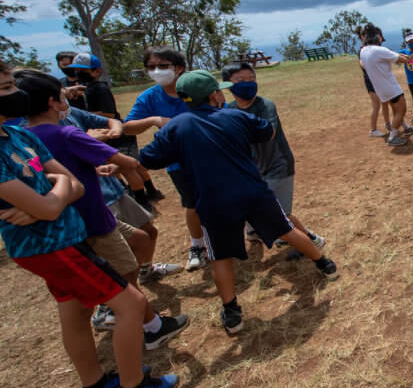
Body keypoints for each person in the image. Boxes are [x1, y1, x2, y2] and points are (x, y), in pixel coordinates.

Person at [0, 60, 178, 388]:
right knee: (131, 304)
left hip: (66, 236)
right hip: (51, 246)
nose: (14, 94)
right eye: (5, 88)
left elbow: (74, 186)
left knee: (75, 310)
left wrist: (51, 195)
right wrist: (52, 197)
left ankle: (94, 384)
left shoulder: (19, 136)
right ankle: (133, 386)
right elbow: (53, 205)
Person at [139, 70, 339, 334]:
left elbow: (148, 158)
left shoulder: (177, 125)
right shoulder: (234, 116)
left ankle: (232, 312)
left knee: (220, 256)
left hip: (212, 201)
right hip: (252, 191)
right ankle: (324, 265)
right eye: (220, 90)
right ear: (213, 95)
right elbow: (266, 132)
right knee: (286, 230)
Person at [16, 69, 189, 348]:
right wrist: (98, 142)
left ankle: (132, 315)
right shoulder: (69, 133)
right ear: (53, 101)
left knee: (141, 240)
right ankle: (142, 324)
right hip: (93, 218)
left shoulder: (23, 137)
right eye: (63, 95)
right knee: (123, 276)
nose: (67, 98)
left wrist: (94, 163)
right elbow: (130, 162)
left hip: (73, 219)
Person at [221, 61, 326, 251]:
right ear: (227, 84)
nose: (249, 83)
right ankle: (255, 231)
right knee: (254, 202)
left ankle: (312, 239)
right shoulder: (228, 110)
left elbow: (269, 133)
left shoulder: (265, 105)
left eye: (252, 79)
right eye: (241, 80)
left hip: (279, 166)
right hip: (255, 169)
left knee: (280, 212)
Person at [122, 46, 208, 271]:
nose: (157, 71)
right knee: (193, 203)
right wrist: (153, 119)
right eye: (151, 67)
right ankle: (197, 245)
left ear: (179, 68)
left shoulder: (196, 87)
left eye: (163, 66)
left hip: (210, 153)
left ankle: (249, 228)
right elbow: (128, 128)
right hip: (178, 162)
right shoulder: (149, 97)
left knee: (229, 193)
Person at [66, 52, 162, 211]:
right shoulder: (89, 88)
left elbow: (109, 114)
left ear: (97, 71)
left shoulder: (99, 89)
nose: (79, 73)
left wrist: (82, 114)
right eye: (76, 70)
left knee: (127, 167)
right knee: (132, 165)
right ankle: (151, 191)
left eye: (84, 70)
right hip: (107, 134)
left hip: (117, 134)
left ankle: (143, 201)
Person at [358, 23, 413, 147]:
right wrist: (410, 55)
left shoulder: (363, 51)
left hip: (380, 88)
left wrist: (398, 55)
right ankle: (393, 136)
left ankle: (403, 129)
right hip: (390, 87)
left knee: (396, 109)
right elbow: (404, 60)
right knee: (401, 109)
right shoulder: (380, 50)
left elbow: (392, 56)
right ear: (377, 37)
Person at [357, 25, 392, 137]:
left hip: (376, 79)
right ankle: (373, 130)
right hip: (370, 81)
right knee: (376, 105)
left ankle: (388, 124)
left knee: (385, 101)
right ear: (362, 37)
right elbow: (362, 64)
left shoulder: (370, 49)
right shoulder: (363, 50)